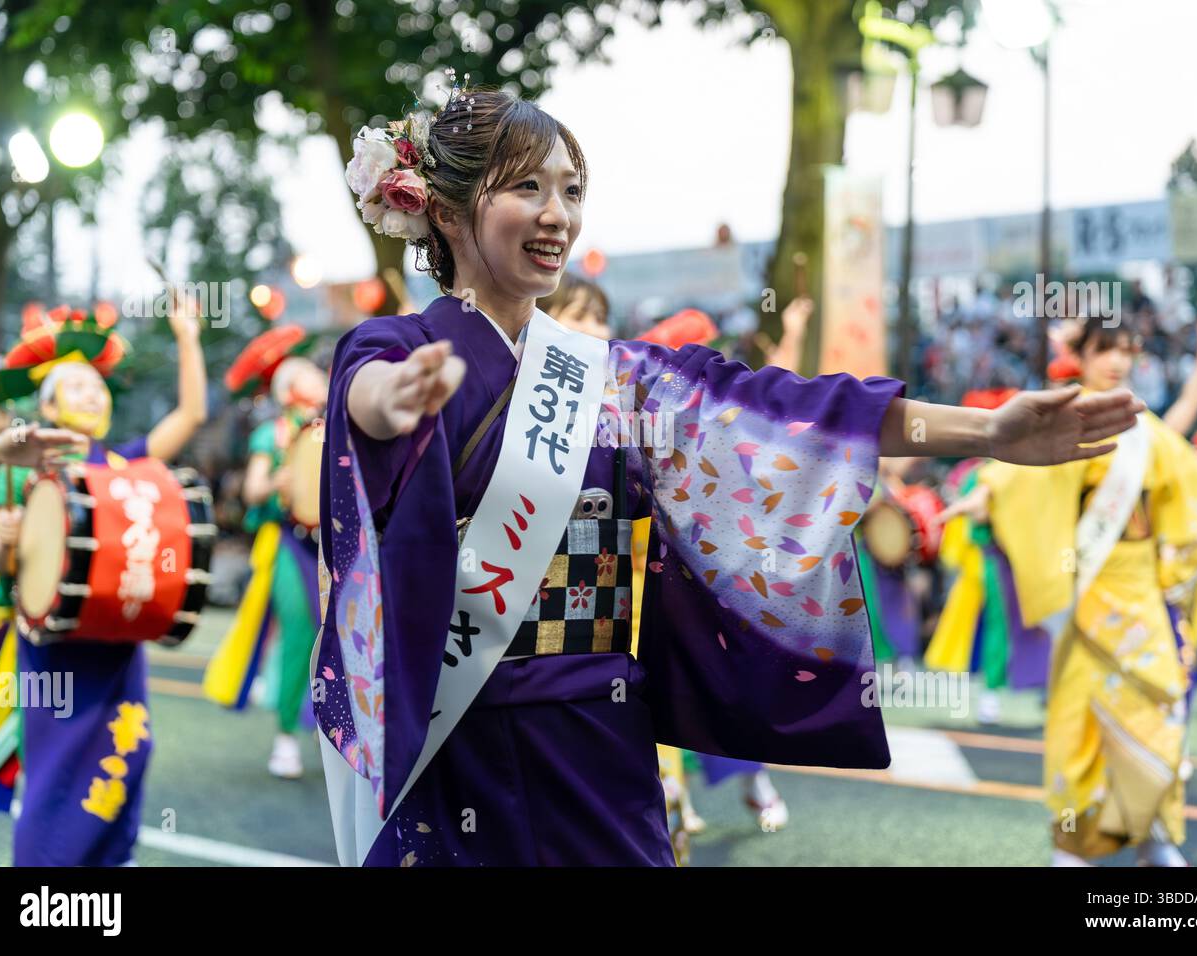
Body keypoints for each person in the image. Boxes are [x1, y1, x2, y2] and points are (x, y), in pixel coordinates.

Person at [321, 82, 1142, 866]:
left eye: (571, 190)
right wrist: (392, 401)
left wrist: (985, 430)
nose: (557, 215)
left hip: (600, 735)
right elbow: (366, 398)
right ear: (448, 208)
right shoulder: (393, 350)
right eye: (527, 186)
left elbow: (782, 413)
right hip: (459, 738)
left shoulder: (617, 379)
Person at [940, 314, 1197, 866]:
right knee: (1078, 719)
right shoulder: (1063, 418)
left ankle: (1154, 835)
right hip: (1086, 588)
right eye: (1105, 350)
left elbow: (1193, 481)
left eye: (1126, 351)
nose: (1117, 361)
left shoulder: (1146, 430)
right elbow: (1017, 476)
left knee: (1155, 708)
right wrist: (984, 497)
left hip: (1141, 587)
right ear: (1085, 356)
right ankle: (1073, 844)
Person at [0, 302, 206, 865]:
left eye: (96, 385)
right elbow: (3, 572)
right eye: (74, 386)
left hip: (117, 642)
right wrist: (6, 540)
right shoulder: (23, 467)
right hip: (54, 652)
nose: (91, 394)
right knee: (57, 773)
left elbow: (191, 416)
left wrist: (187, 336)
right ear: (47, 404)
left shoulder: (121, 464)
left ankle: (111, 861)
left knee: (130, 748)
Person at [202, 329, 328, 778]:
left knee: (337, 637)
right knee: (299, 632)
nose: (321, 380)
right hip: (287, 542)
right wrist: (284, 479)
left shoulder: (331, 426)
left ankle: (334, 732)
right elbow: (255, 490)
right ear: (291, 388)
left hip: (331, 543)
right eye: (312, 377)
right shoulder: (273, 433)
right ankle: (286, 736)